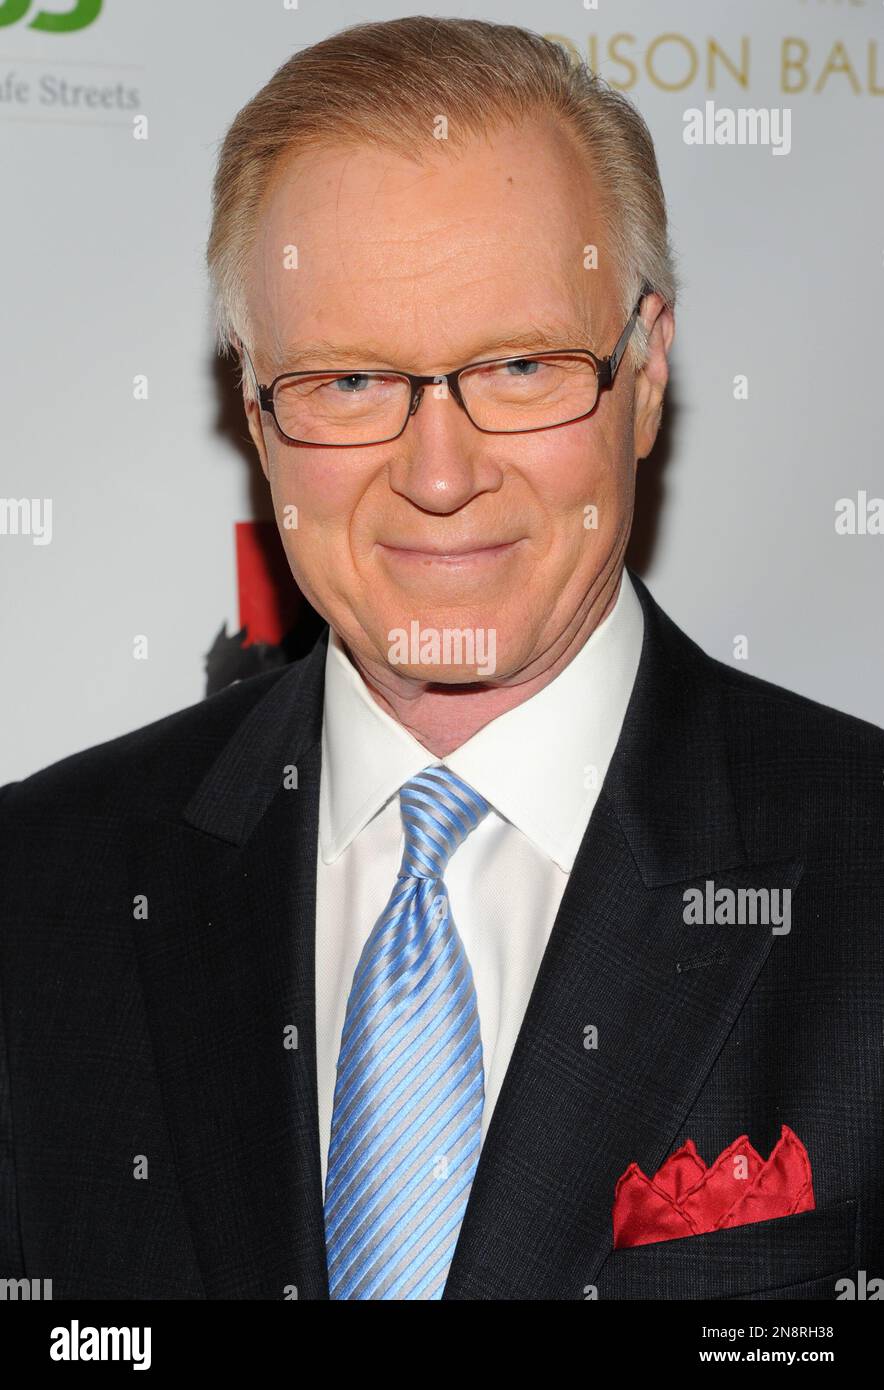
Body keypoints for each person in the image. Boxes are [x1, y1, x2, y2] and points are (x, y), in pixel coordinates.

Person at [1, 16, 881, 1301]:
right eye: (349, 382)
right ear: (254, 411)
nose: (437, 473)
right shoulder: (37, 896)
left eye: (518, 365)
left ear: (645, 374)